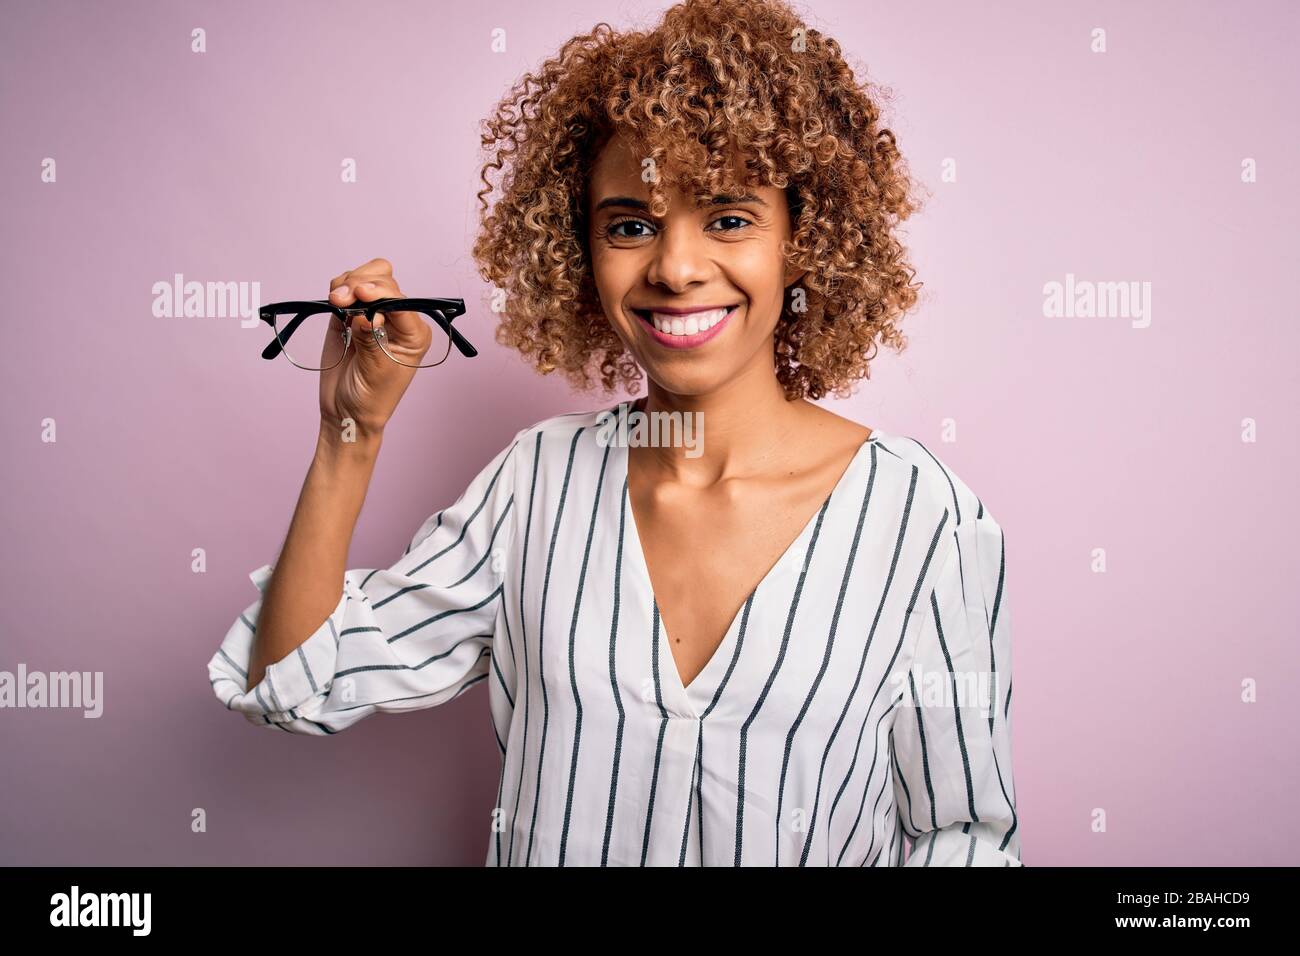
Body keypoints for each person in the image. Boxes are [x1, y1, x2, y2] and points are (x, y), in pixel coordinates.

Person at [207, 0, 1020, 867]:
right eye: (630, 224)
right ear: (578, 251)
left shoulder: (922, 519)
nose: (673, 268)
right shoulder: (535, 486)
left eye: (730, 216)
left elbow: (960, 835)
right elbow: (293, 686)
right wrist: (350, 430)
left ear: (804, 241)